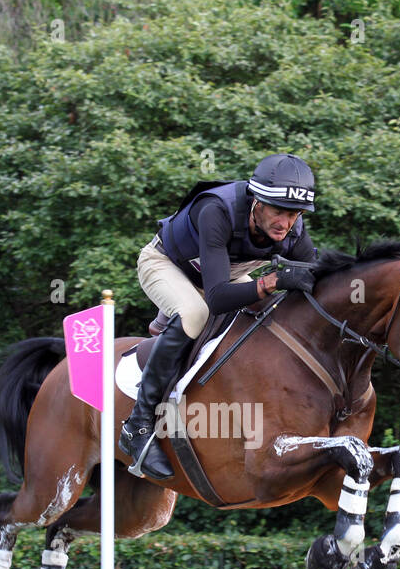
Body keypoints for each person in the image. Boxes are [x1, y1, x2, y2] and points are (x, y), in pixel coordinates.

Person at [121, 153, 321, 479]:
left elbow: (315, 276)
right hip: (167, 265)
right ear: (256, 200)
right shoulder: (217, 210)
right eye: (278, 211)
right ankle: (138, 426)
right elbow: (215, 298)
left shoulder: (294, 229)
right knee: (194, 313)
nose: (286, 223)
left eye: (294, 213)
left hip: (219, 274)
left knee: (266, 314)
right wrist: (273, 281)